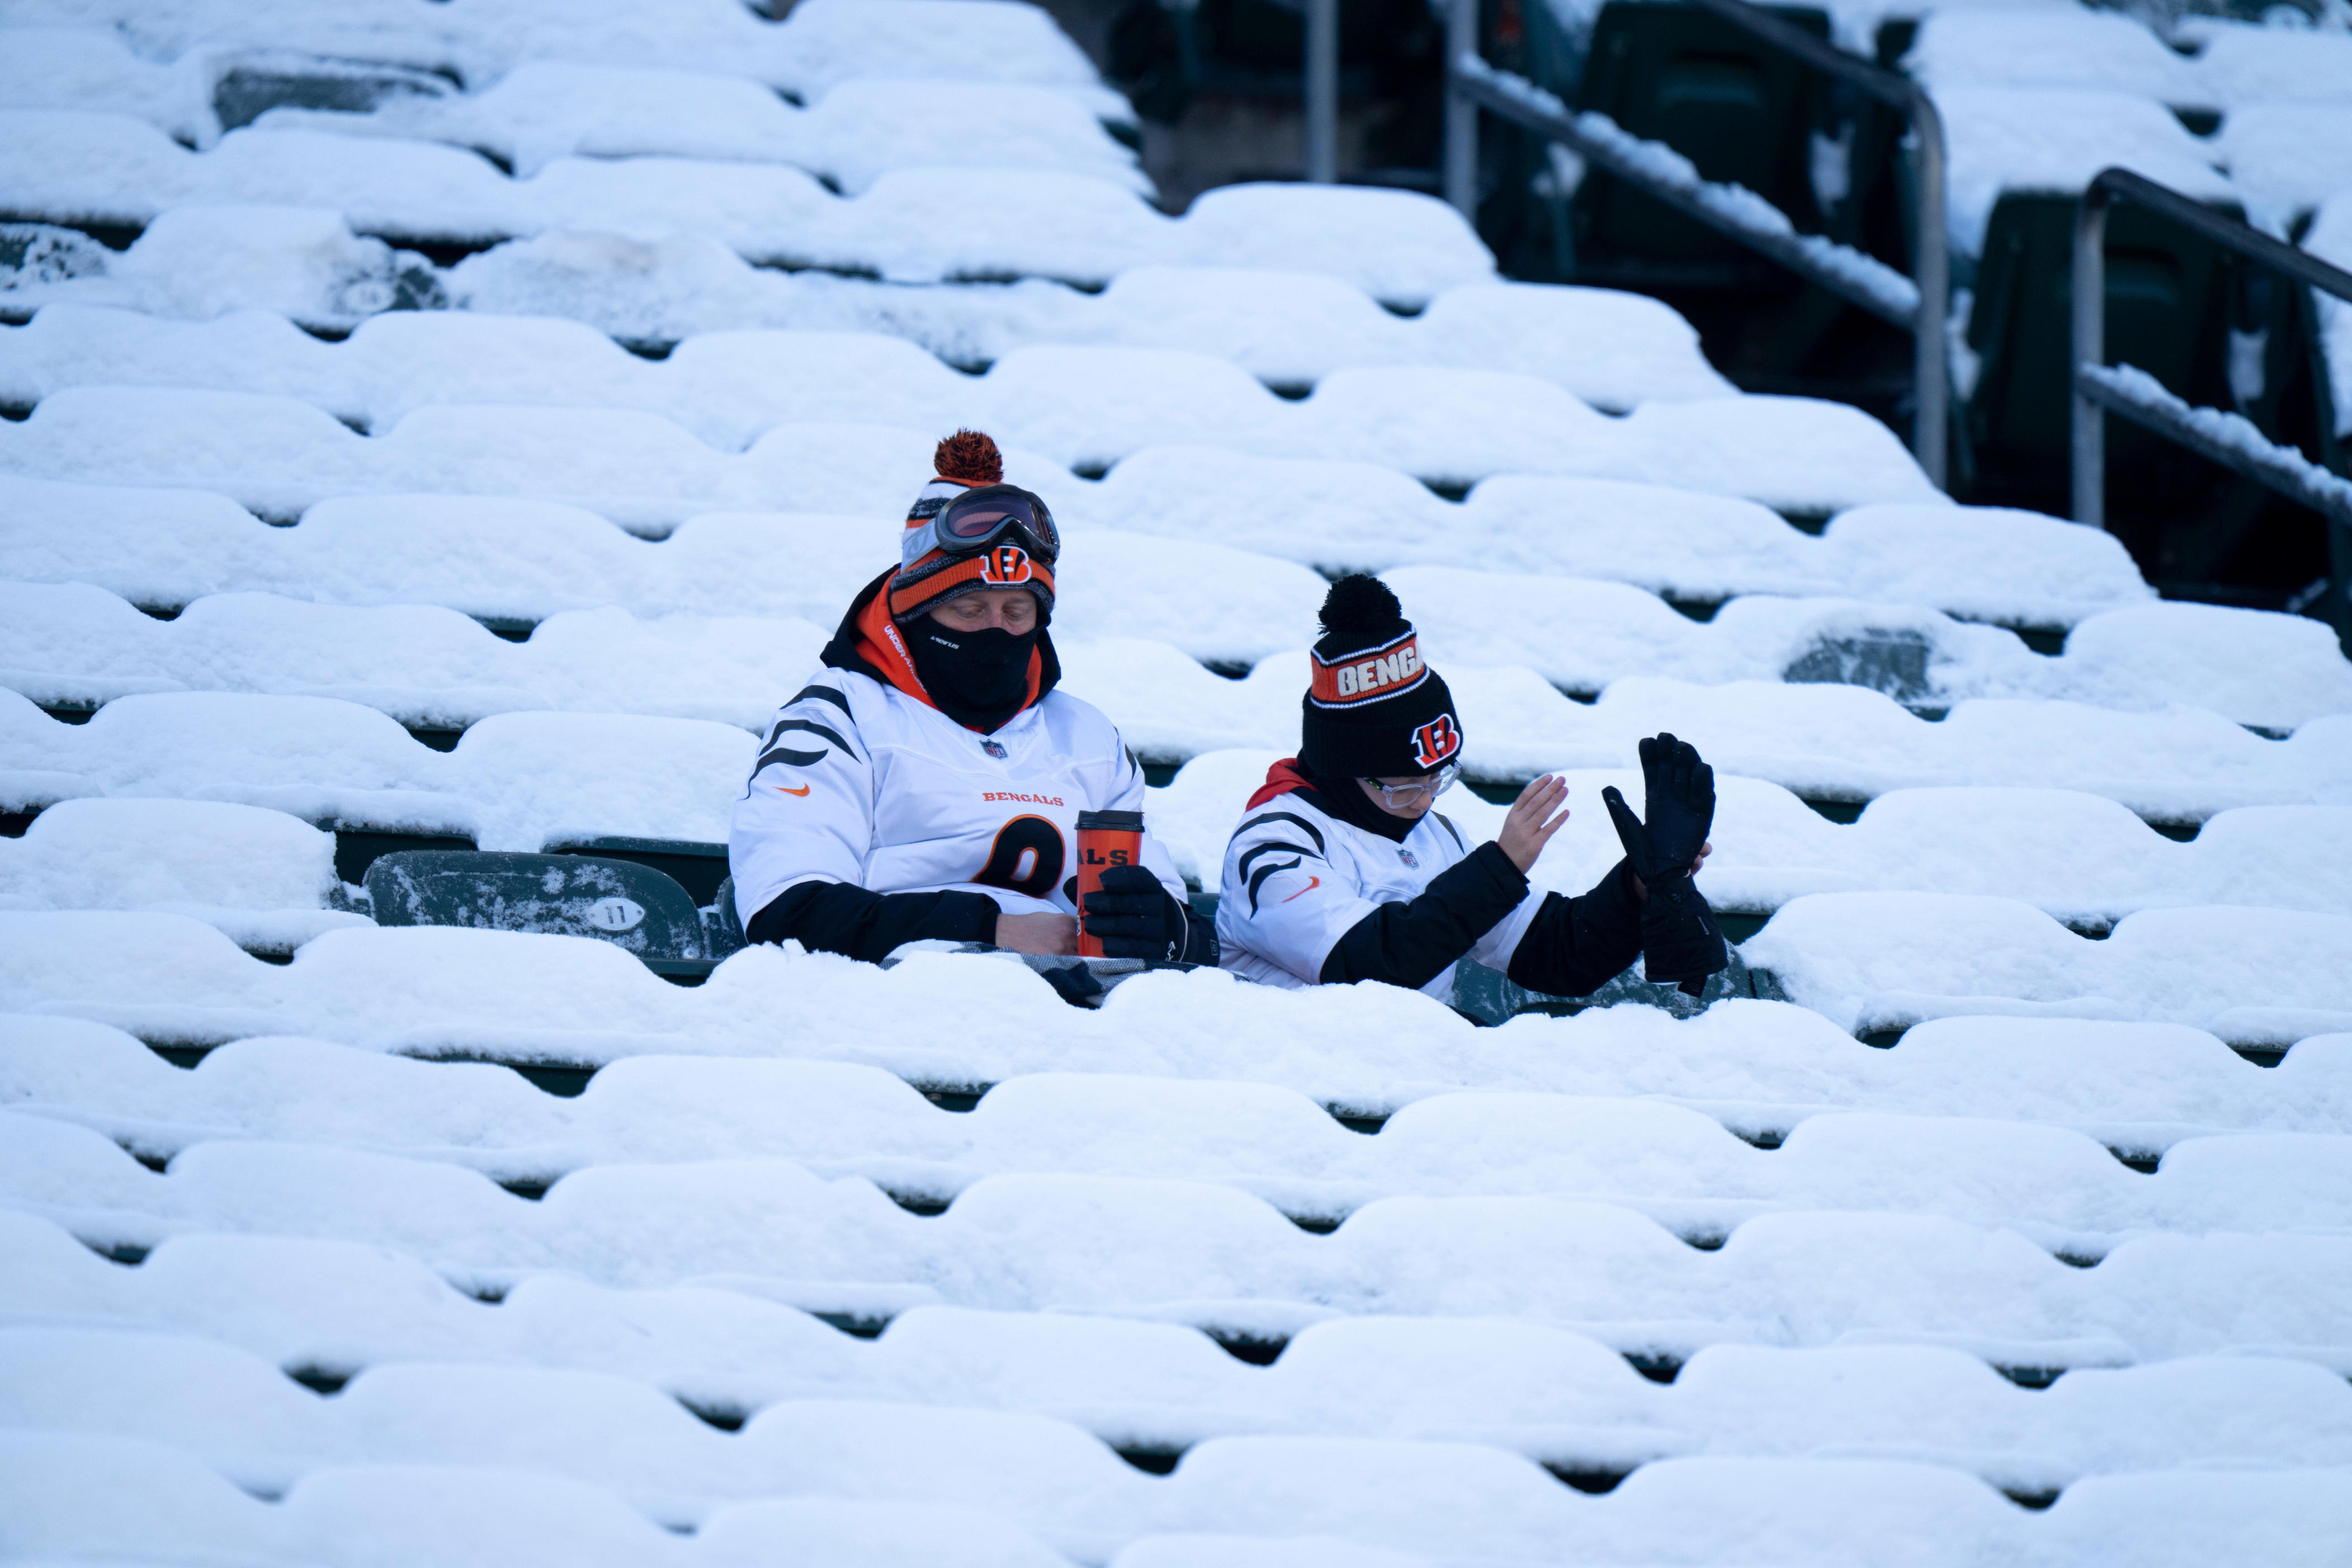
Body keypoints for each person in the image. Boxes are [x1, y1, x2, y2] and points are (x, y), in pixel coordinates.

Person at [730, 429, 1215, 966]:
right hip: (902, 993)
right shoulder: (838, 716)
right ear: (917, 610)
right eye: (968, 610)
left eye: (1016, 612)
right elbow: (785, 911)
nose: (994, 631)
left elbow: (1174, 922)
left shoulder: (1089, 737)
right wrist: (994, 929)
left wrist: (1162, 926)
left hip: (1080, 1002)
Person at [1216, 574, 1726, 1004]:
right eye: (1403, 787)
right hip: (1300, 1072)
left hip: (1416, 1070)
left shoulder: (1434, 838)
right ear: (1338, 768)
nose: (1424, 802)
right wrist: (1499, 871)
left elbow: (1560, 955)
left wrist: (1640, 884)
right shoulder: (1274, 846)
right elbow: (1364, 968)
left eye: (1440, 779)